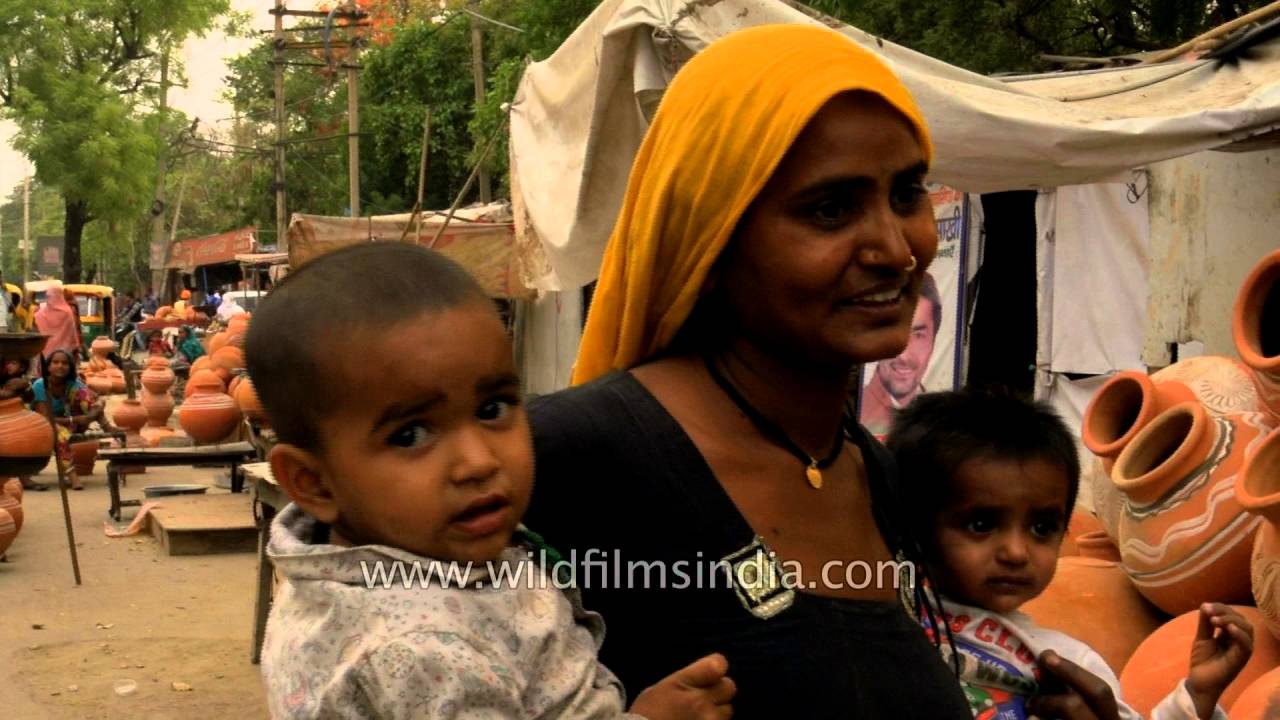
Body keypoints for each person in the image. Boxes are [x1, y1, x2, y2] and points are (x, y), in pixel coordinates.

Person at [524, 24, 973, 718]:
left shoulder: (874, 474)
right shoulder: (567, 461)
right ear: (711, 238)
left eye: (907, 192)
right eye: (830, 209)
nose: (895, 247)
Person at [245, 243, 736, 719]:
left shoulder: (399, 561)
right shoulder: (419, 653)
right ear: (314, 483)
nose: (478, 462)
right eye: (411, 435)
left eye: (492, 408)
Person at [887, 389, 1253, 719]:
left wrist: (1198, 694)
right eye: (981, 525)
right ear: (913, 525)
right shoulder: (882, 633)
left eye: (1042, 528)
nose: (1016, 552)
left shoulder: (1069, 667)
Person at [859, 271, 942, 439]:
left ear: (933, 342)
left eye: (918, 335)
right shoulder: (857, 420)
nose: (904, 356)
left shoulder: (942, 419)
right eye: (894, 331)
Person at [32, 348, 108, 490]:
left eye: (65, 363)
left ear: (70, 367)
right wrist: (76, 420)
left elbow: (96, 400)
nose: (60, 366)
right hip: (44, 426)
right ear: (48, 366)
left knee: (83, 394)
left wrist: (92, 412)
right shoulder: (40, 386)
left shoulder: (72, 384)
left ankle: (106, 425)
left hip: (72, 422)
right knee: (60, 434)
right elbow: (45, 418)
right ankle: (72, 475)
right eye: (55, 362)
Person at [1, 357, 48, 491]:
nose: (9, 365)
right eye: (8, 362)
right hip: (5, 418)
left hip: (16, 418)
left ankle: (24, 478)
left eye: (13, 362)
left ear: (22, 367)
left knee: (22, 440)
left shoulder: (23, 382)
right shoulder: (4, 379)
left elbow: (30, 398)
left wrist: (23, 387)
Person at [34, 286, 81, 359]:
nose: (49, 299)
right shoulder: (67, 312)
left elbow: (71, 332)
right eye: (48, 297)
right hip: (58, 354)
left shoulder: (67, 312)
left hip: (54, 355)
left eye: (50, 296)